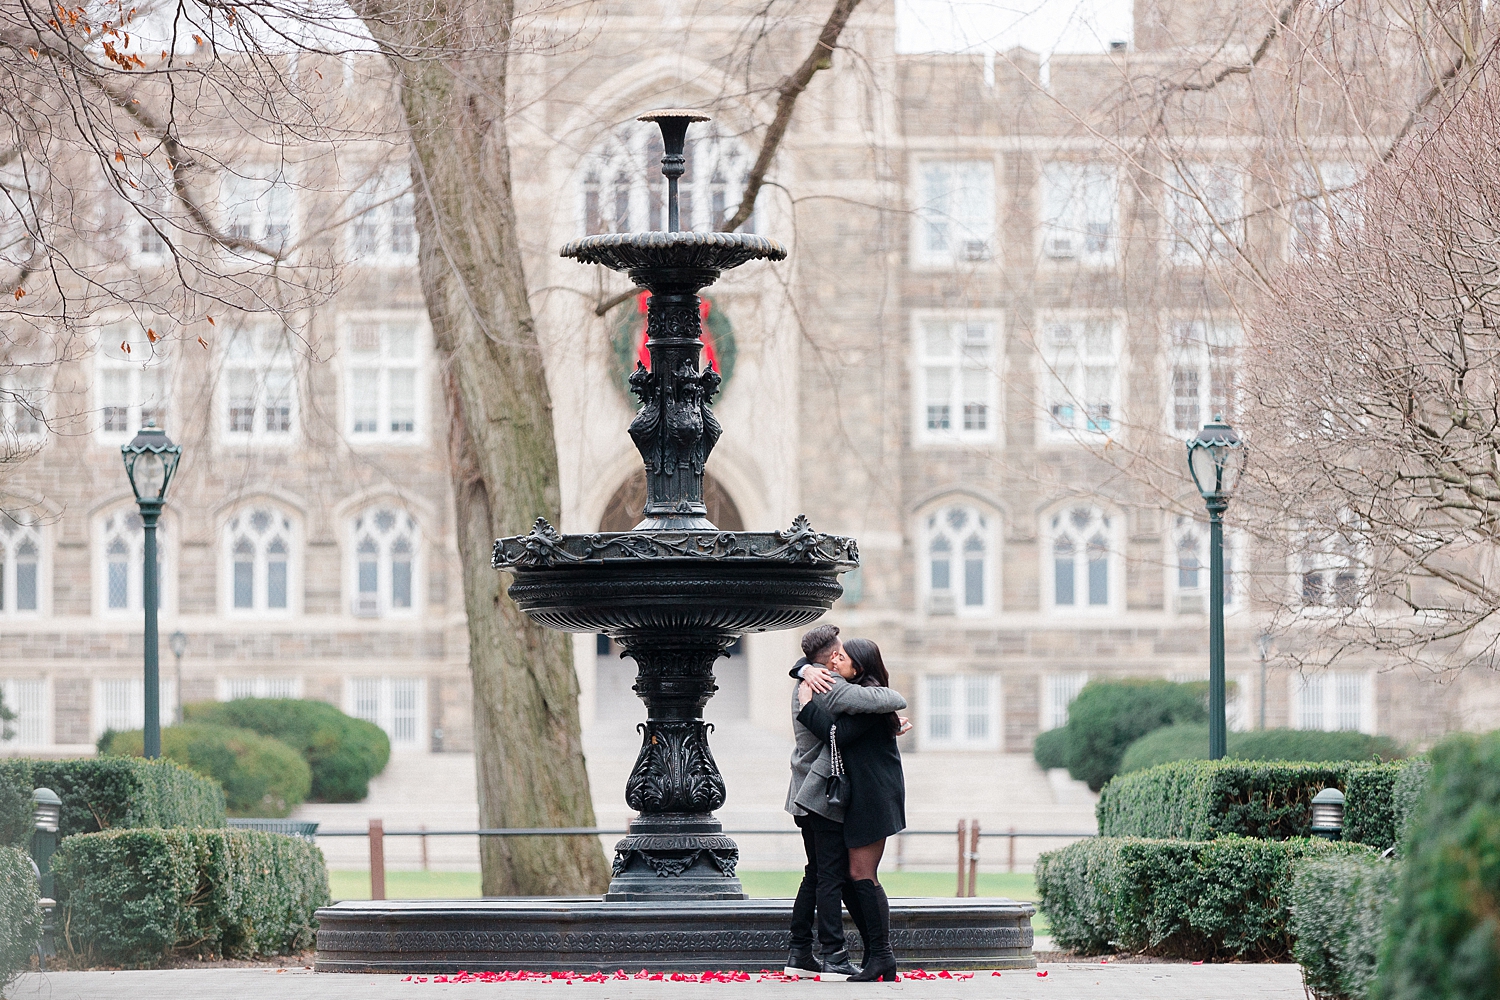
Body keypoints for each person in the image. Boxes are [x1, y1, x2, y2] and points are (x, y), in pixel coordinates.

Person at [783, 624, 907, 981]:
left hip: (826, 790)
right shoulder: (828, 685)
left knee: (823, 873)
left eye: (844, 657)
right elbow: (847, 726)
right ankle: (834, 956)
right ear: (825, 661)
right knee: (831, 875)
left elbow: (851, 727)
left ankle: (803, 952)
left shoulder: (815, 681)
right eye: (835, 655)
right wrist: (894, 708)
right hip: (822, 792)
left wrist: (803, 669)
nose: (838, 660)